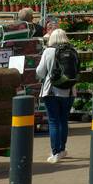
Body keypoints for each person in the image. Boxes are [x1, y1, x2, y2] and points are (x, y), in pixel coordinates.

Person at [35, 27, 76, 163]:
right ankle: (62, 149)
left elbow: (40, 72)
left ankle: (55, 152)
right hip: (70, 91)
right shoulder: (73, 51)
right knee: (63, 120)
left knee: (53, 121)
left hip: (51, 91)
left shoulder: (48, 51)